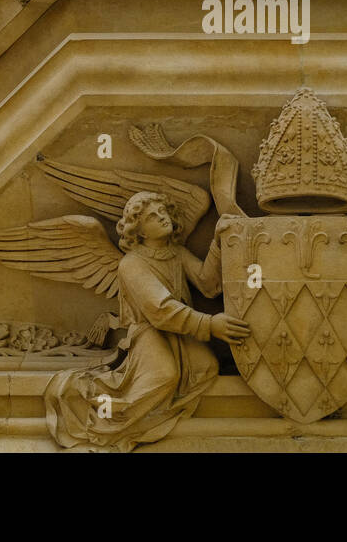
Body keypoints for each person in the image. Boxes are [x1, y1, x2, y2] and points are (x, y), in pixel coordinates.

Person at [44, 191, 248, 451]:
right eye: (153, 216)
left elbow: (208, 285)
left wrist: (218, 242)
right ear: (138, 231)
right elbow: (158, 309)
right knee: (164, 376)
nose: (162, 218)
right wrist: (209, 325)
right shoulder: (132, 264)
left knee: (205, 367)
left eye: (163, 212)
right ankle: (110, 418)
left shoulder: (178, 253)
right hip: (148, 332)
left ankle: (158, 418)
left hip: (180, 333)